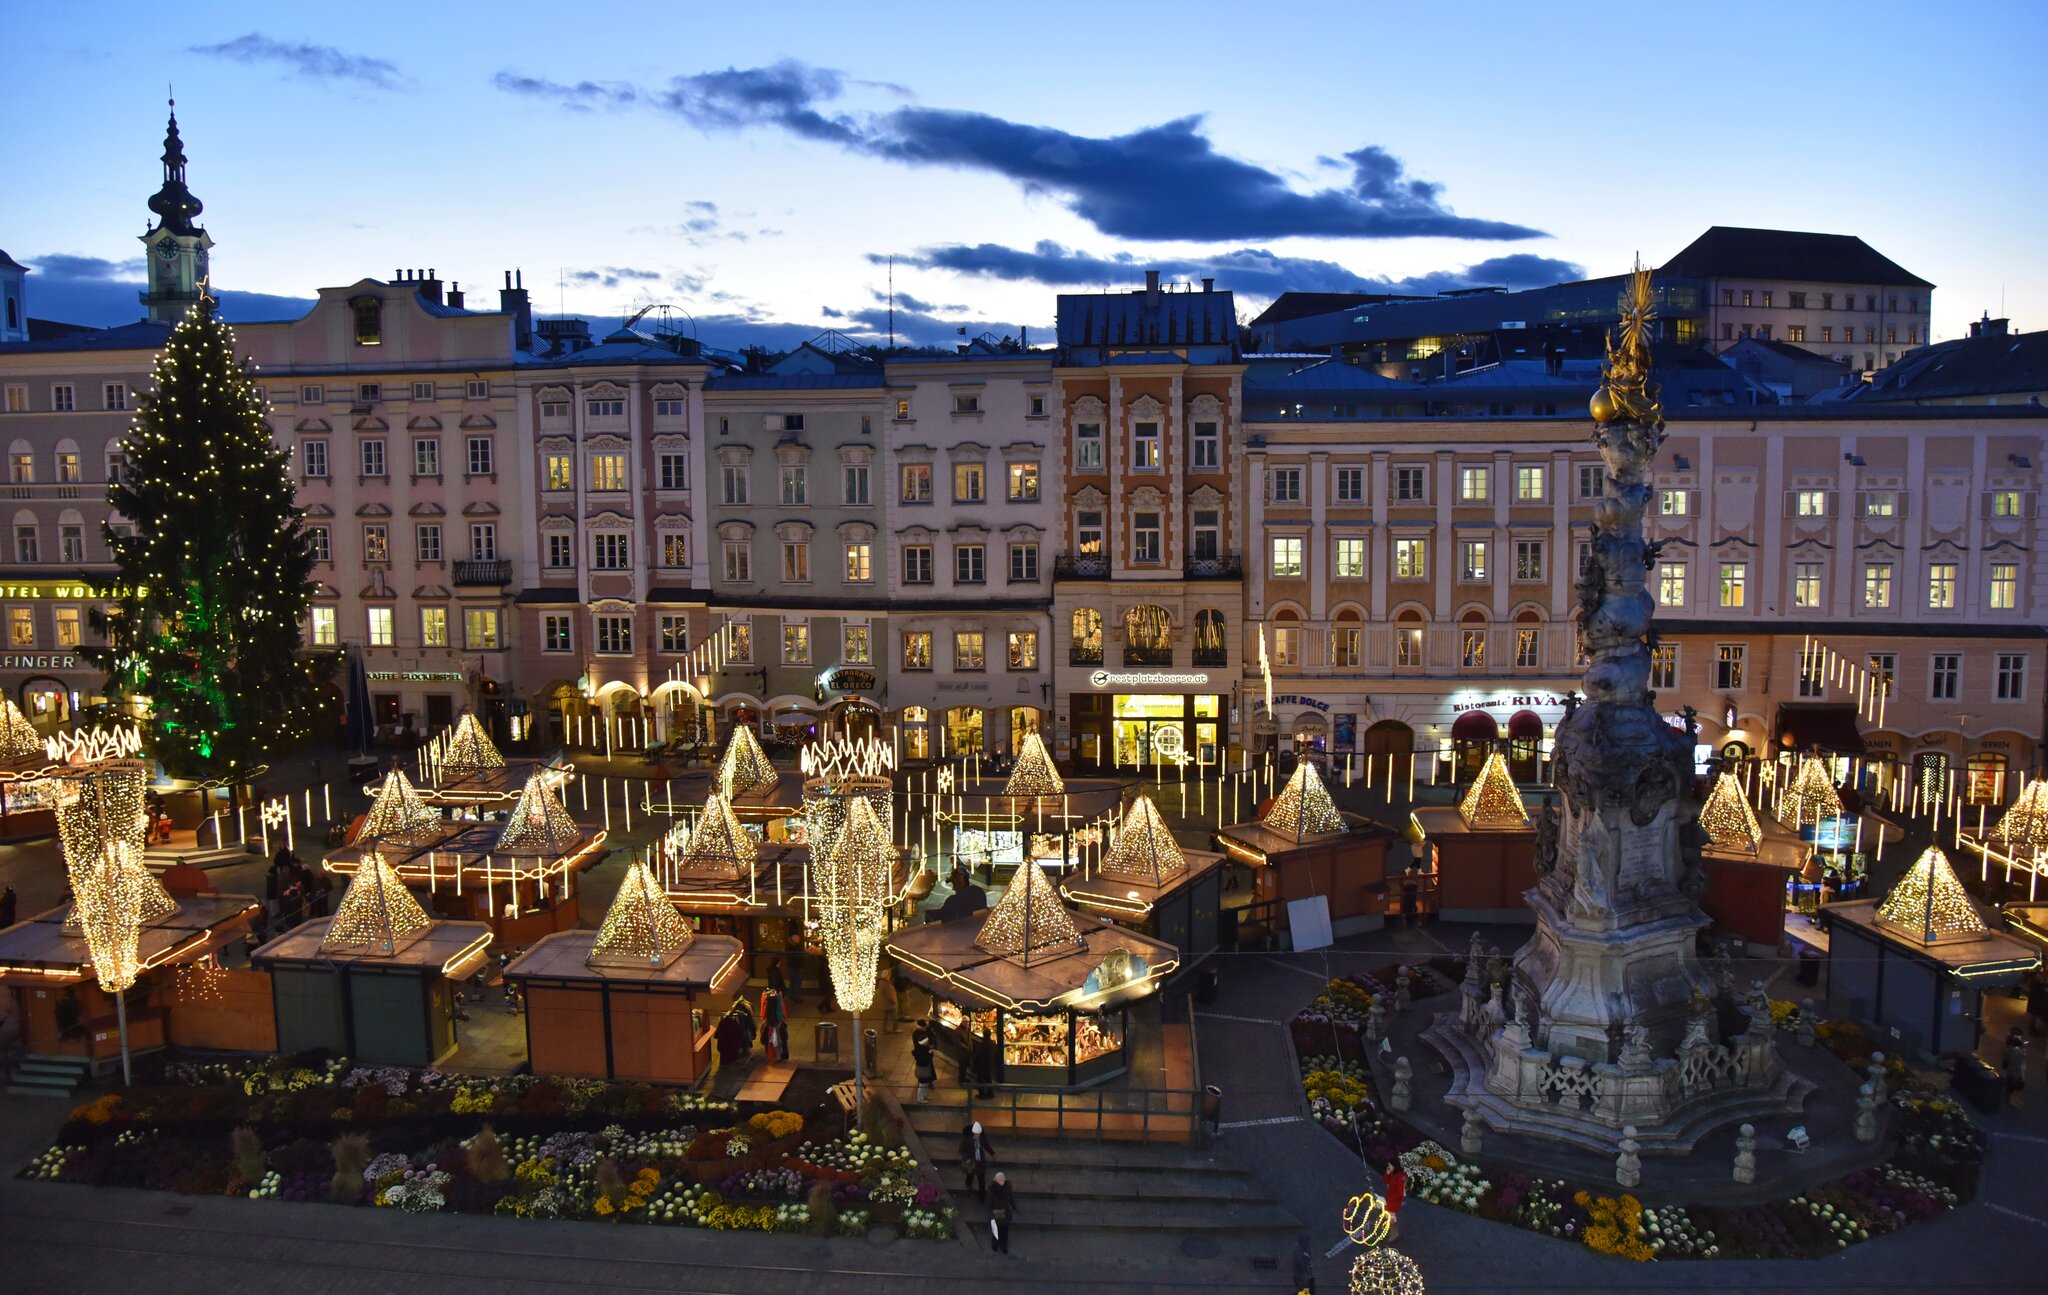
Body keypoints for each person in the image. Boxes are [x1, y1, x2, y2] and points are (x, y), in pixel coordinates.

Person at [960, 1120, 995, 1201]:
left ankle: (982, 1197)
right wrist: (967, 1158)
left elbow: (986, 1145)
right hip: (972, 1162)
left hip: (980, 1163)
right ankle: (968, 1184)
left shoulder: (981, 1138)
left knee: (981, 1180)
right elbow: (962, 1150)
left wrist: (992, 1153)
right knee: (970, 1175)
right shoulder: (967, 1140)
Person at [985, 1170, 1017, 1254]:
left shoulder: (1007, 1188)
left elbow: (1010, 1198)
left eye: (1003, 1180)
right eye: (1000, 1181)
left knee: (1004, 1231)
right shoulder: (992, 1191)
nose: (1002, 1182)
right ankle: (995, 1245)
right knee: (996, 1231)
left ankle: (1003, 1247)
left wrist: (1014, 1207)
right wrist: (990, 1214)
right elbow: (989, 1204)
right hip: (995, 1214)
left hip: (1005, 1213)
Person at [912, 1020, 937, 1104]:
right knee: (923, 1083)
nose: (928, 1042)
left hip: (926, 1064)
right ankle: (920, 1098)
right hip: (923, 1065)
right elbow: (923, 1058)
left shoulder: (922, 1036)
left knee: (926, 1083)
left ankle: (925, 1095)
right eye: (927, 1042)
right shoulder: (921, 1050)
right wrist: (929, 1053)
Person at [2003, 1027, 2028, 1107]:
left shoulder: (2016, 1045)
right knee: (2014, 1084)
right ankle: (2012, 1099)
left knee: (2018, 1084)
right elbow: (2008, 1057)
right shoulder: (2011, 1047)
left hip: (2018, 1068)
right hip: (2014, 1068)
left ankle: (2015, 1098)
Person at [1382, 1160, 1407, 1240]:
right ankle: (1391, 1231)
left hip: (1393, 1201)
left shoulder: (1399, 1178)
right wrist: (1387, 1173)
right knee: (1390, 1215)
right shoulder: (1393, 1174)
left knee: (1391, 1216)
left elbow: (1399, 1194)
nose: (1389, 1167)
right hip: (1390, 1199)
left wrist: (1390, 1199)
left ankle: (1394, 1233)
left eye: (1390, 1165)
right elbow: (1386, 1181)